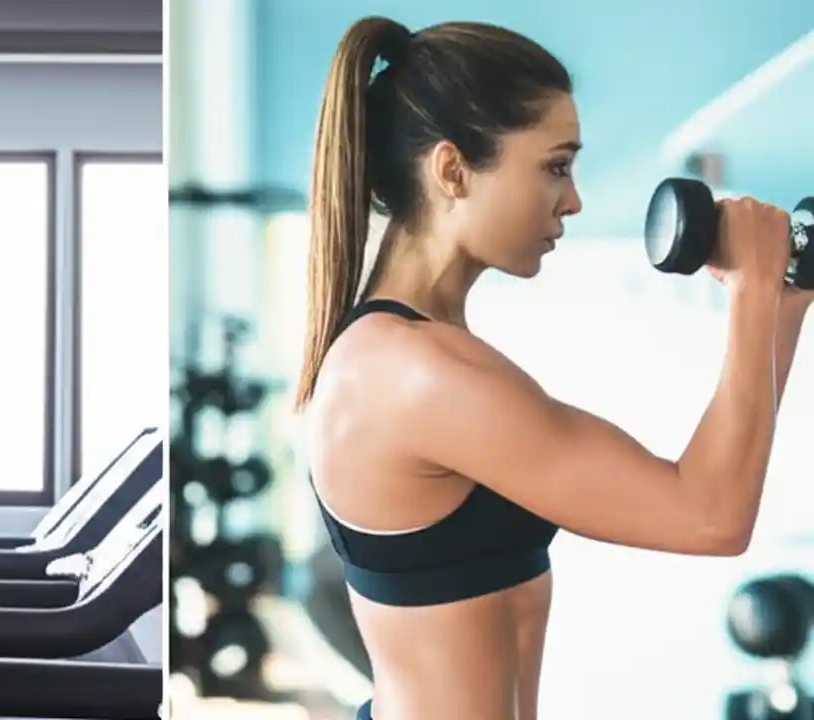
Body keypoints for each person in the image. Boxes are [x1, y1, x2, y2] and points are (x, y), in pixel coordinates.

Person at [294, 16, 809, 720]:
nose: (573, 200)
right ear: (451, 170)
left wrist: (781, 302)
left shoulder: (416, 353)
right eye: (555, 166)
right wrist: (750, 295)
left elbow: (709, 498)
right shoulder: (413, 373)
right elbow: (708, 516)